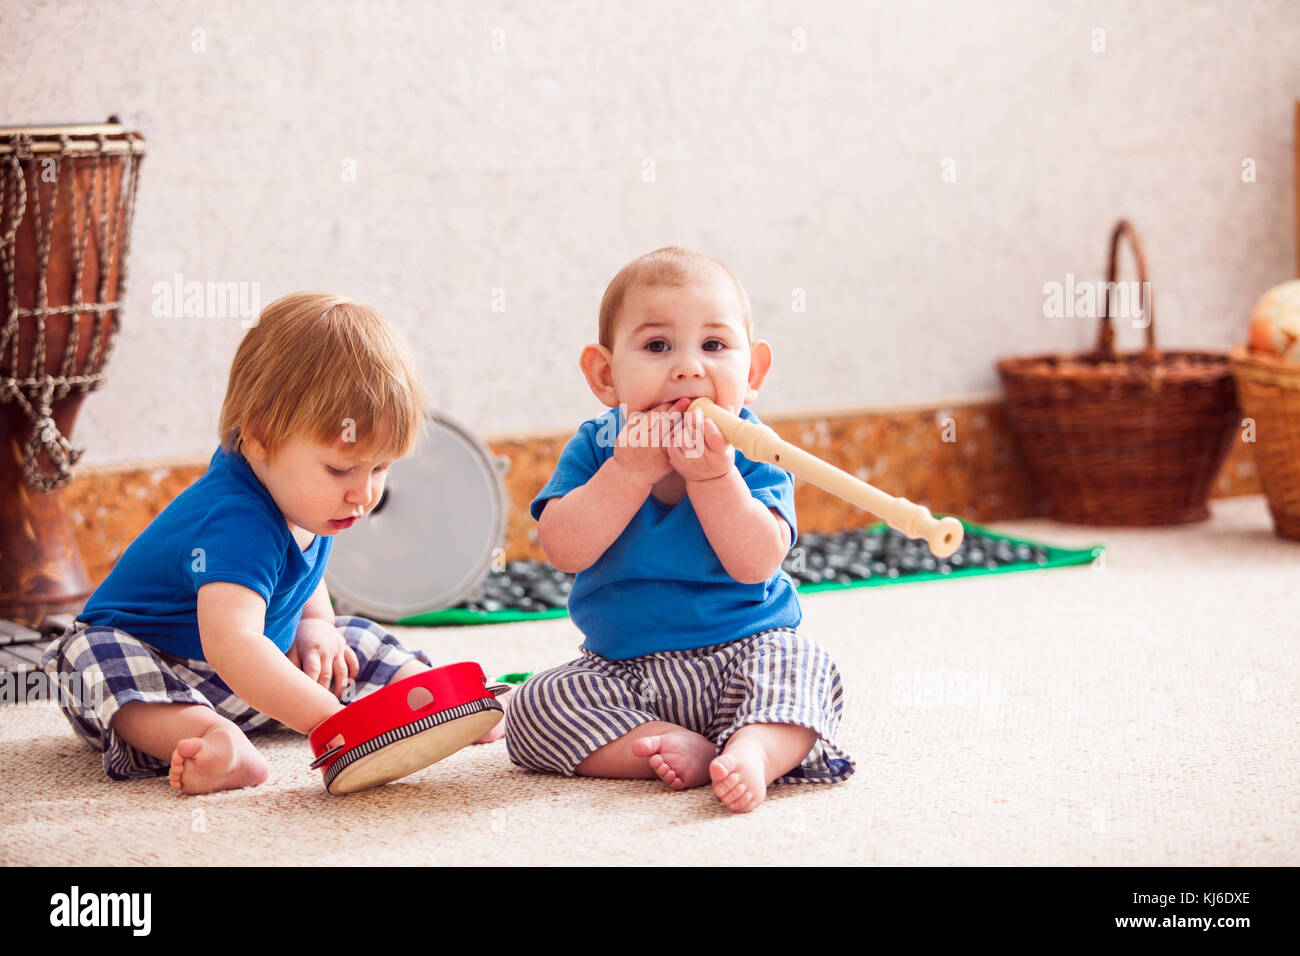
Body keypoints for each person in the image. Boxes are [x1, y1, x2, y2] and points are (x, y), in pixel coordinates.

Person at [42, 291, 502, 794]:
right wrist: (334, 724)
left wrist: (316, 625)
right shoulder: (234, 517)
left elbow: (303, 568)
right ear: (259, 436)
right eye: (342, 468)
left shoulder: (308, 497)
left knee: (353, 637)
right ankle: (214, 739)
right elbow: (231, 643)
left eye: (381, 467)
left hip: (256, 678)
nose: (365, 493)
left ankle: (440, 702)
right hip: (161, 674)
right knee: (87, 653)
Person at [505, 247, 853, 812]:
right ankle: (669, 747)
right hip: (622, 672)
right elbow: (565, 550)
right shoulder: (597, 446)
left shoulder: (755, 450)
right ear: (605, 374)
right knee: (532, 708)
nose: (689, 368)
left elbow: (756, 562)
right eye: (657, 346)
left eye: (714, 346)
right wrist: (628, 472)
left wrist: (715, 478)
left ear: (754, 372)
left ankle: (756, 750)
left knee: (805, 664)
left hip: (746, 654)